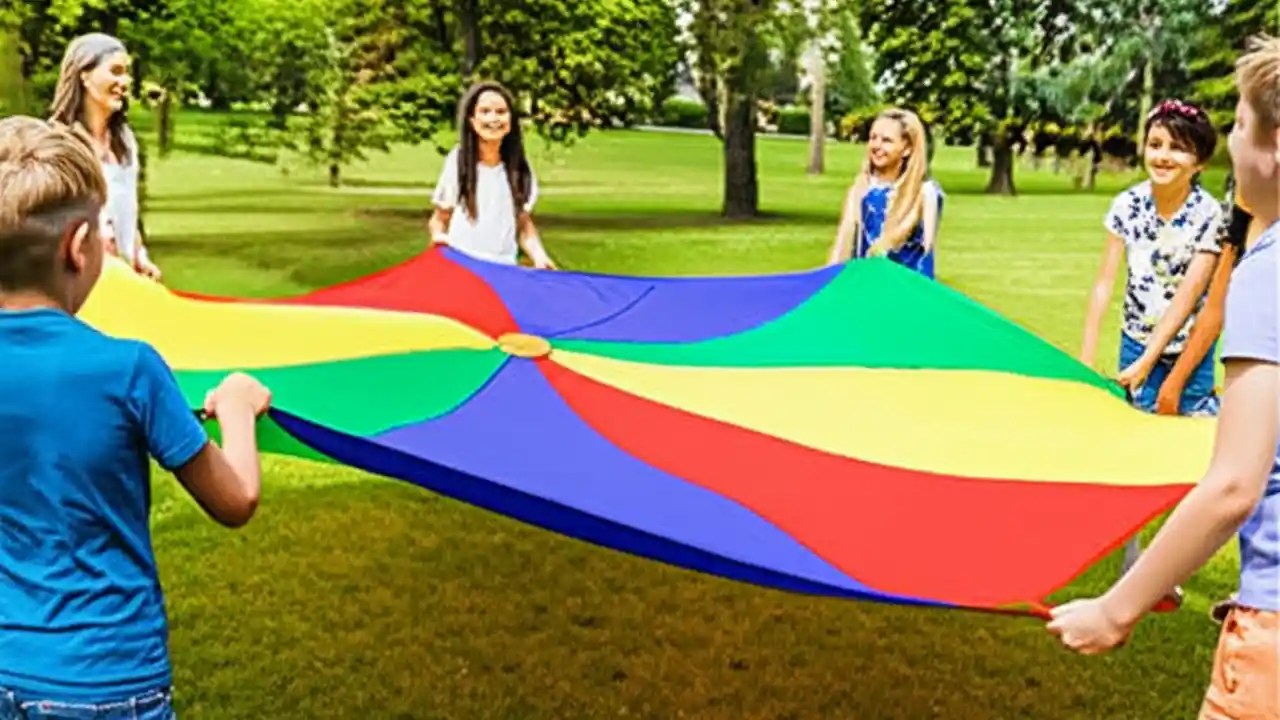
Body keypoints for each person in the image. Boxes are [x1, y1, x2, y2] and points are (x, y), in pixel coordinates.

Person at [0, 117, 269, 719]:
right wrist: (237, 408)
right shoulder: (129, 370)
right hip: (109, 676)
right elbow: (235, 500)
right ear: (78, 247)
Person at [1048, 35, 1280, 720]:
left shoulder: (1267, 268)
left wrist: (1116, 611)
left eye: (1238, 123)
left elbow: (1234, 485)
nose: (1233, 142)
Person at [48, 32, 161, 280]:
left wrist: (140, 257)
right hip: (81, 283)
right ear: (84, 75)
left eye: (127, 73)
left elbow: (128, 209)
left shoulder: (125, 142)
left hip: (123, 278)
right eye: (116, 71)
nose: (126, 81)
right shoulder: (59, 144)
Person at [427, 80, 557, 269]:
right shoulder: (459, 161)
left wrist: (539, 255)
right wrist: (439, 238)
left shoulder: (518, 168)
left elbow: (522, 222)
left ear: (511, 120)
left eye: (501, 112)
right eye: (485, 111)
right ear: (472, 120)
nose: (493, 119)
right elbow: (439, 218)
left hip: (504, 268)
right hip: (463, 267)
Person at [827, 107, 943, 279]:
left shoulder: (924, 193)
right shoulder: (861, 190)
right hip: (868, 289)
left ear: (907, 149)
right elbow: (843, 245)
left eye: (886, 140)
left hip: (908, 294)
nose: (877, 146)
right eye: (873, 138)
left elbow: (910, 243)